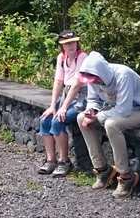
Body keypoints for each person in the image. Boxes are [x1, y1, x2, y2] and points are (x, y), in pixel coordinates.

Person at [76, 51, 140, 199]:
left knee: (111, 125)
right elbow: (92, 100)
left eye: (95, 79)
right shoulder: (93, 78)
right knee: (80, 117)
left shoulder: (123, 75)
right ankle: (102, 170)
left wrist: (97, 116)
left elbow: (124, 110)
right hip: (118, 110)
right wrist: (91, 111)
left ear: (101, 73)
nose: (93, 82)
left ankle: (126, 176)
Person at [37, 30, 87, 177]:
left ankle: (64, 161)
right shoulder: (61, 58)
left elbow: (77, 84)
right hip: (67, 95)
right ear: (62, 46)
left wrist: (63, 107)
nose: (71, 46)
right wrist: (53, 105)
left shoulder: (83, 57)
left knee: (58, 121)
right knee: (45, 120)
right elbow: (58, 81)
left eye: (72, 42)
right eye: (66, 43)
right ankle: (50, 160)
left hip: (81, 98)